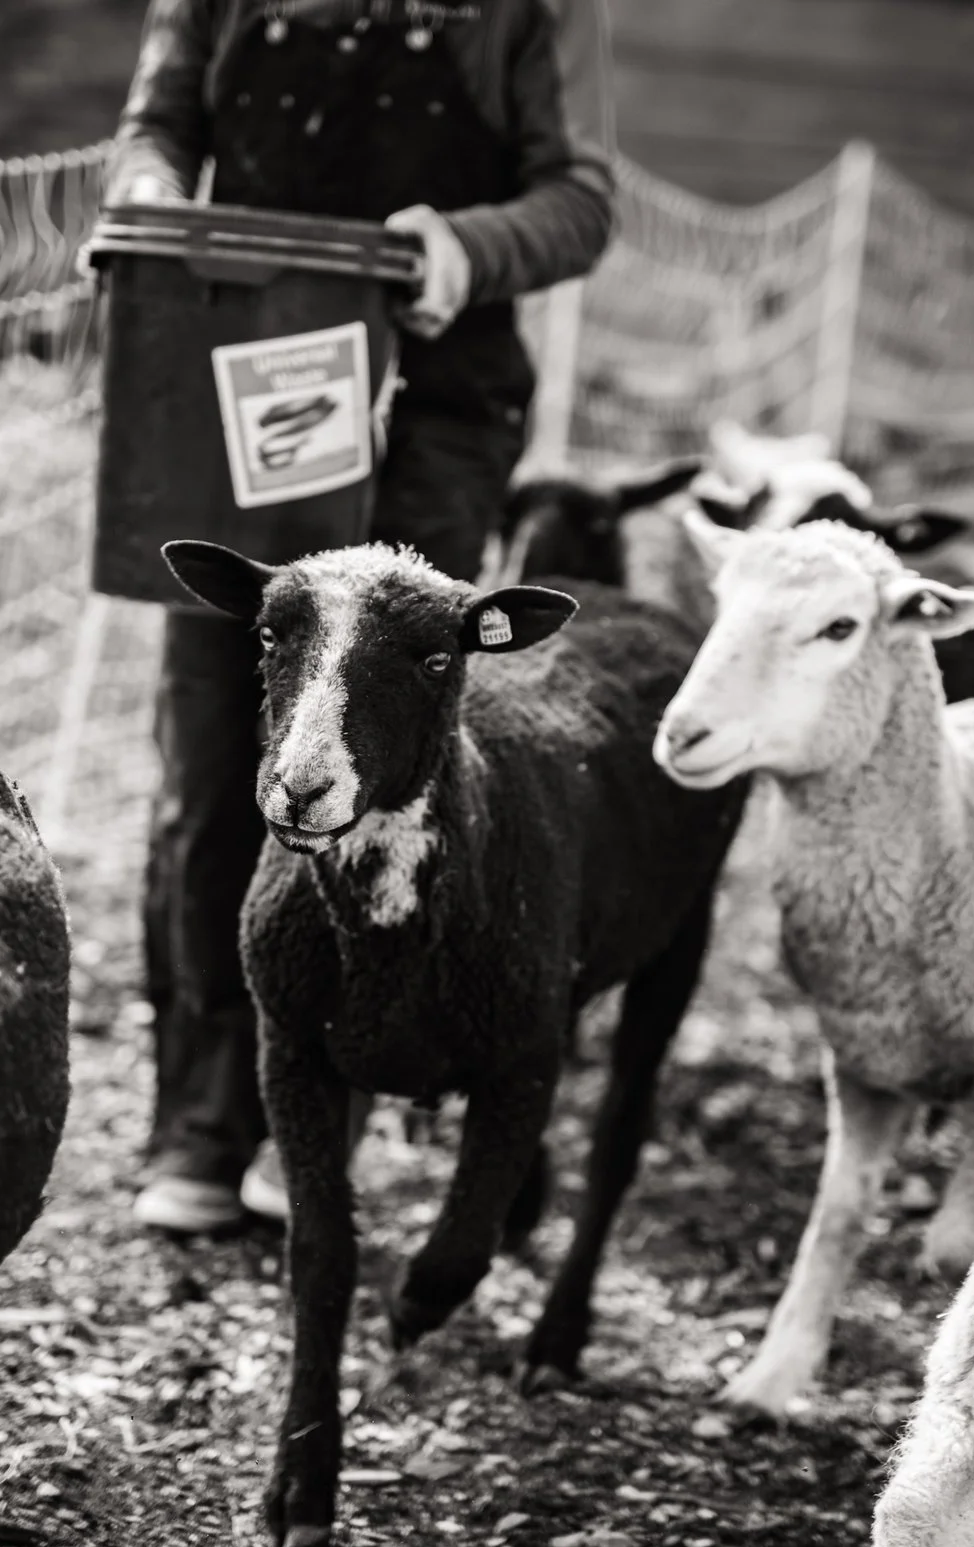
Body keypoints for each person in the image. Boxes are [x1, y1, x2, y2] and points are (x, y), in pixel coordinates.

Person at [109, 0, 618, 1234]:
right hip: (246, 386)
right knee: (216, 747)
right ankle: (202, 1118)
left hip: (434, 409)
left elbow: (579, 198)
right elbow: (157, 127)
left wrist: (464, 249)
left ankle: (319, 1114)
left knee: (377, 759)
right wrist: (153, 198)